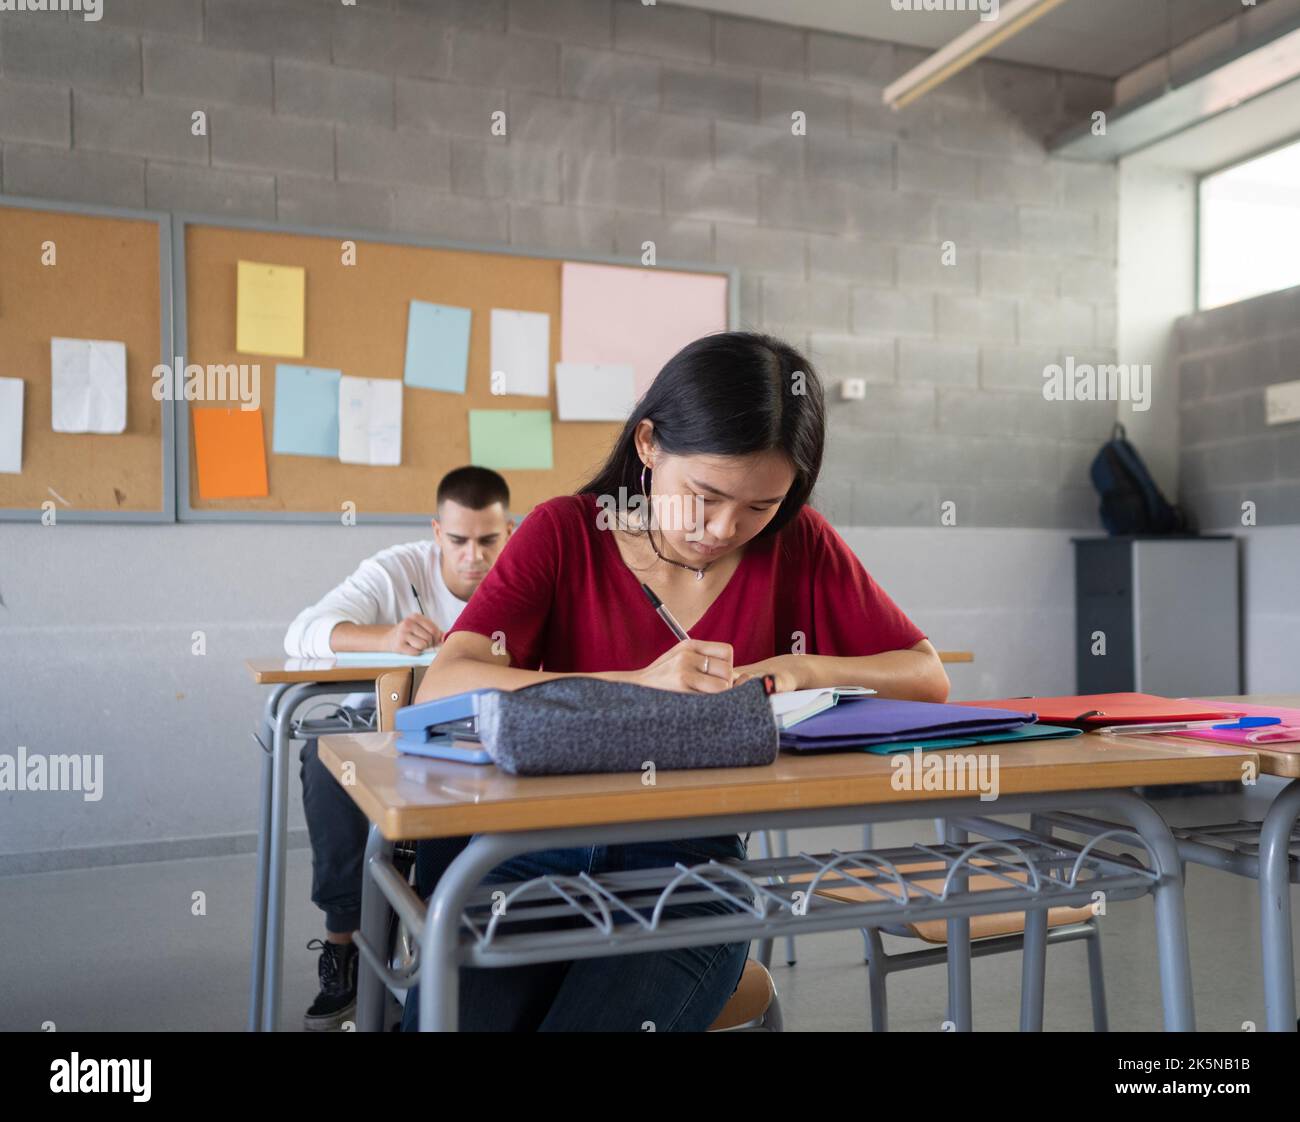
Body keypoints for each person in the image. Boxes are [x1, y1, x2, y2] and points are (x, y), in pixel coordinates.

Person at [403, 331, 949, 1031]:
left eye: (761, 506)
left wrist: (805, 667)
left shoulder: (798, 542)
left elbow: (926, 675)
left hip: (692, 870)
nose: (725, 528)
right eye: (706, 495)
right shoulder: (564, 533)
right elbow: (442, 686)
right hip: (527, 852)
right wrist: (635, 684)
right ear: (649, 444)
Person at [283, 465, 513, 1030]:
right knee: (325, 760)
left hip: (486, 740)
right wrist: (383, 638)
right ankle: (346, 947)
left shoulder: (523, 572)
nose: (474, 556)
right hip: (394, 734)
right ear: (437, 532)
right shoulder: (399, 569)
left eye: (489, 540)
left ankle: (455, 947)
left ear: (510, 532)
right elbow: (303, 632)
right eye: (458, 540)